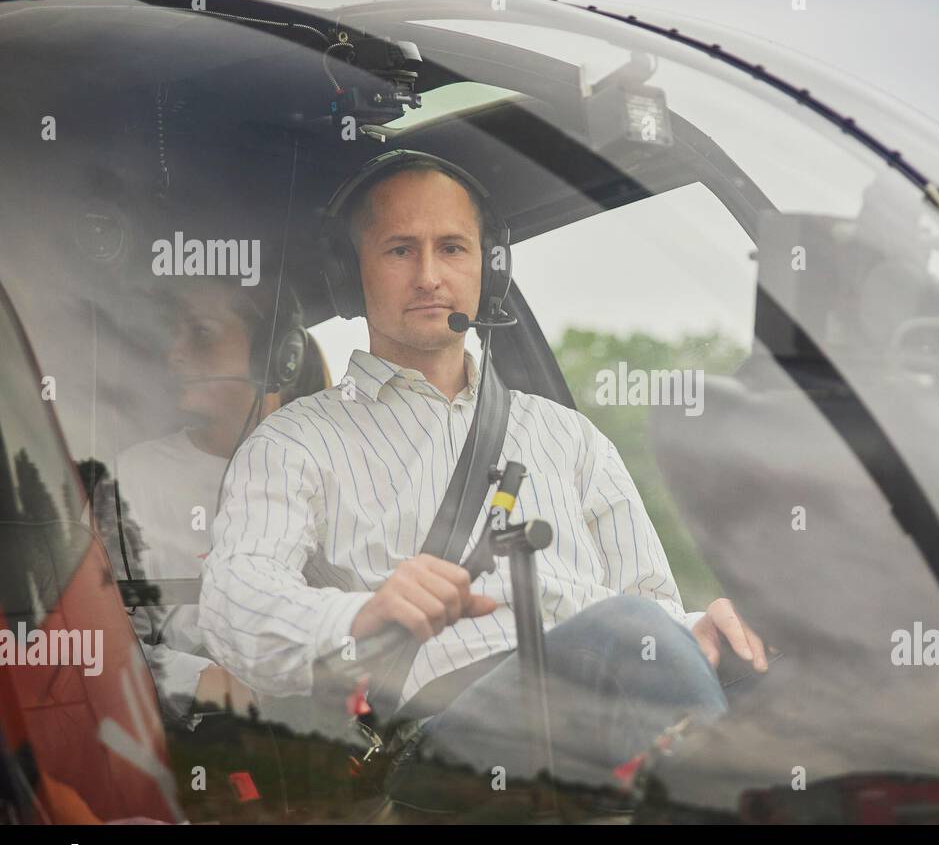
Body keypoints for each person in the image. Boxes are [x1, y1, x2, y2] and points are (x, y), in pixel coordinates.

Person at [197, 152, 768, 792]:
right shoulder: (294, 441)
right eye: (398, 251)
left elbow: (653, 613)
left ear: (487, 271)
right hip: (430, 747)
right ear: (348, 274)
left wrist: (701, 630)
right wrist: (359, 617)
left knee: (772, 658)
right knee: (627, 632)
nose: (429, 276)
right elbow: (231, 604)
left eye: (451, 248)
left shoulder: (570, 436)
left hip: (599, 697)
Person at [114, 278, 330, 724]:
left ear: (275, 355)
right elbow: (89, 642)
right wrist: (200, 682)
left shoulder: (338, 471)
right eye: (176, 334)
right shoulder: (132, 479)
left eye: (202, 333)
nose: (174, 353)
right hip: (201, 757)